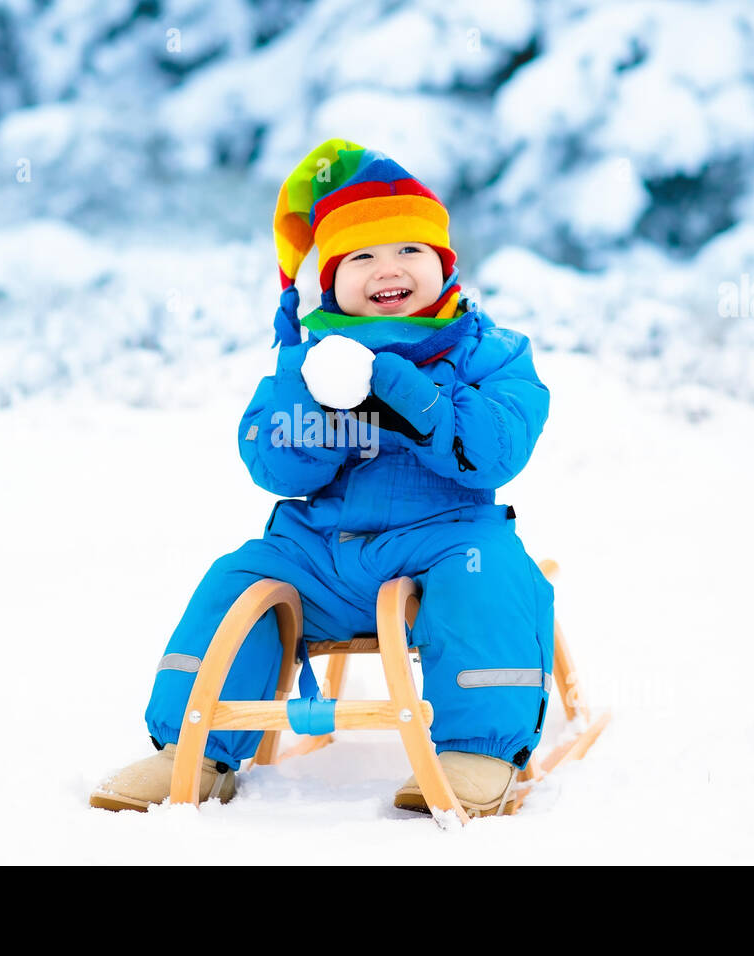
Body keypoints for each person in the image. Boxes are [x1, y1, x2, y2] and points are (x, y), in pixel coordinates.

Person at [92, 139, 555, 817]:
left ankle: (478, 750)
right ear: (331, 283)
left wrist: (411, 398)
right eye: (361, 257)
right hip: (325, 550)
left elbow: (496, 450)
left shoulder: (492, 352)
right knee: (239, 576)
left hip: (445, 540)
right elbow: (271, 462)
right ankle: (194, 749)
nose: (387, 269)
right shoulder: (308, 360)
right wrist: (316, 405)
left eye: (409, 252)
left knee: (489, 574)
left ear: (444, 265)